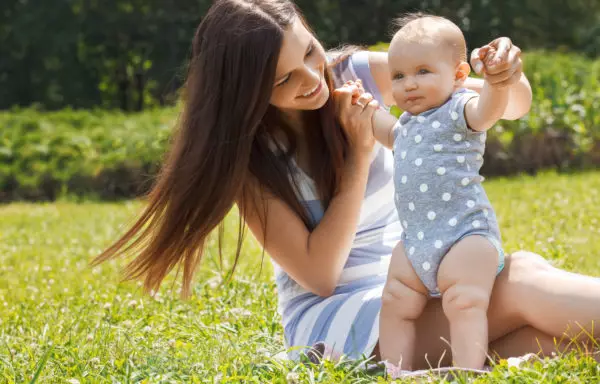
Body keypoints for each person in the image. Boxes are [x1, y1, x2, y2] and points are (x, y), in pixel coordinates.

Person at [92, 0, 600, 369]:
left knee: (543, 314)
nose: (313, 78)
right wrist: (357, 161)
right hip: (348, 320)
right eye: (283, 80)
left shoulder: (356, 73)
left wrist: (506, 77)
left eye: (310, 53)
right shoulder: (251, 163)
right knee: (521, 287)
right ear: (246, 94)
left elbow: (503, 106)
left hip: (421, 276)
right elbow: (319, 275)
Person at [370, 14, 512, 370]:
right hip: (416, 240)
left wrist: (496, 84)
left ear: (460, 75)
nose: (409, 84)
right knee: (394, 301)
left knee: (464, 302)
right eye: (399, 76)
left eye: (422, 71)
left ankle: (468, 371)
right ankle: (395, 370)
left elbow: (489, 111)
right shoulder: (406, 124)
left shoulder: (459, 109)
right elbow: (389, 135)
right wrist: (365, 109)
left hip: (464, 235)